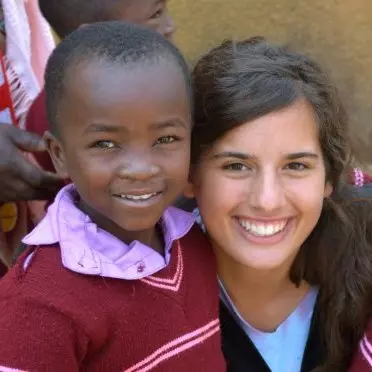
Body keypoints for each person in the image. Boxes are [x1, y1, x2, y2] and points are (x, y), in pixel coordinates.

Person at [0, 22, 225, 371]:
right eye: (105, 144)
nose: (140, 169)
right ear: (59, 155)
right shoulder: (38, 306)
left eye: (165, 139)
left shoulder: (195, 240)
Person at [187, 37, 372, 371]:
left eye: (296, 166)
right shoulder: (150, 288)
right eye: (236, 166)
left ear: (329, 179)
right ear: (190, 176)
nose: (267, 200)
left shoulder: (365, 254)